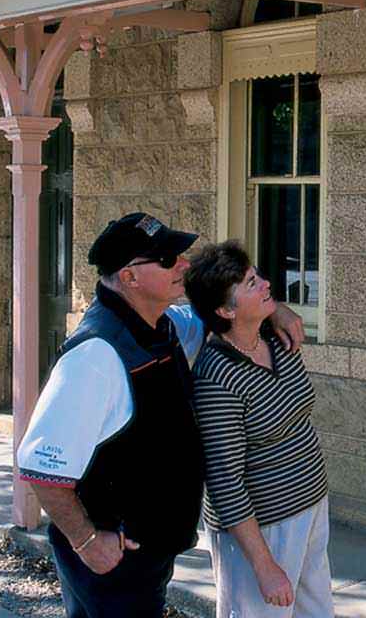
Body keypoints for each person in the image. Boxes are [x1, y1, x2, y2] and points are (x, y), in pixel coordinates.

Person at [16, 212, 305, 618]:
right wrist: (87, 543)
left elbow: (219, 314)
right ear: (130, 277)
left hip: (149, 553)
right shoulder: (96, 355)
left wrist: (276, 310)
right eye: (168, 259)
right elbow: (40, 466)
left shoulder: (163, 326)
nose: (183, 264)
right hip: (114, 560)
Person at [185, 240, 333, 618]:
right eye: (251, 283)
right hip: (263, 528)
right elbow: (224, 480)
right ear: (225, 309)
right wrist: (264, 567)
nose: (266, 283)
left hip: (310, 507)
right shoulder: (217, 377)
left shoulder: (276, 338)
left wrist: (275, 311)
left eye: (257, 275)